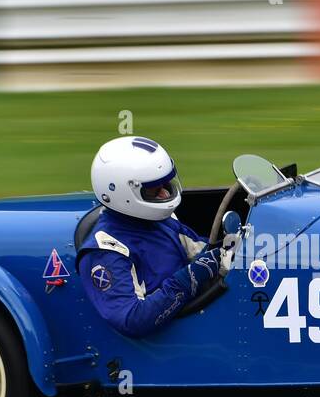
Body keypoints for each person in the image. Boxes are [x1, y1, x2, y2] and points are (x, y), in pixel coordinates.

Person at [78, 136, 234, 337]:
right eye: (153, 190)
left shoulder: (159, 221)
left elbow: (204, 251)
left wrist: (233, 249)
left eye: (165, 185)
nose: (163, 194)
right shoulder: (105, 252)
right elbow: (131, 320)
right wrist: (187, 280)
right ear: (123, 193)